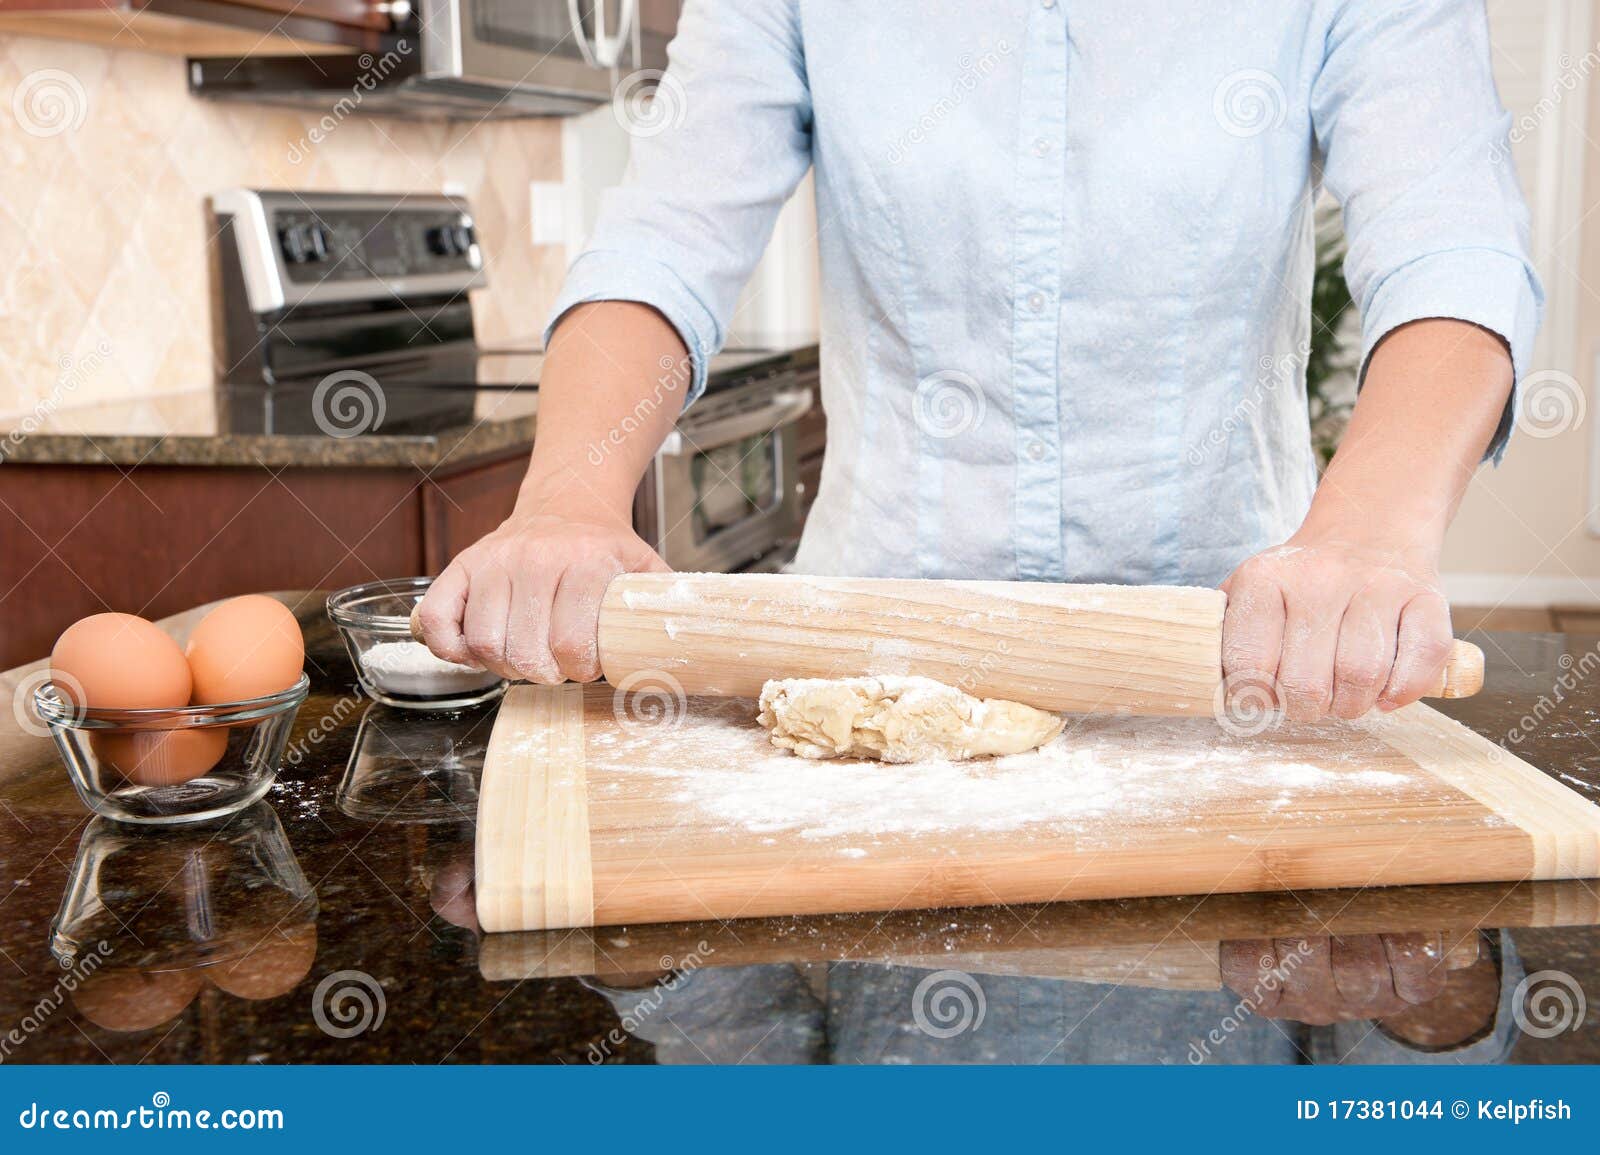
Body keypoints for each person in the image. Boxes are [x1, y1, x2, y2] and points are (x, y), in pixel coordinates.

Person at [415, 1, 1541, 724]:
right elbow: (666, 246)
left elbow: (1452, 253)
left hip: (1237, 667)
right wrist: (564, 500)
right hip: (871, 666)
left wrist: (1364, 533)